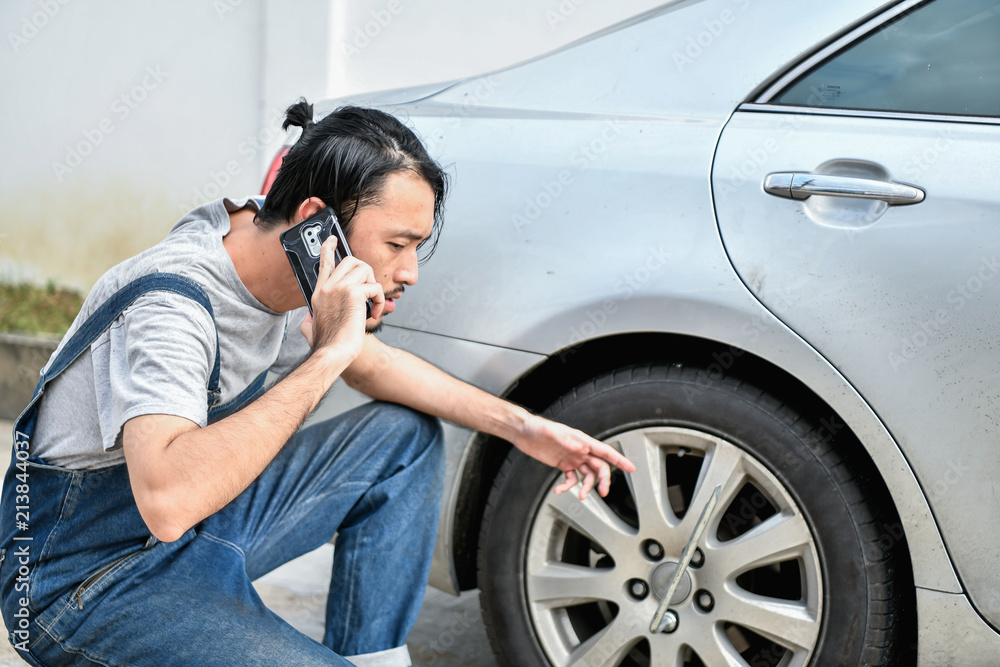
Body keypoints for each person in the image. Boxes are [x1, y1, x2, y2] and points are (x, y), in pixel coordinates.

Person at [0, 99, 635, 666]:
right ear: (316, 221)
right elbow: (166, 501)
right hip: (85, 578)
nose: (409, 271)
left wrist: (524, 426)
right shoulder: (173, 304)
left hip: (195, 529)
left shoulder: (268, 253)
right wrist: (327, 354)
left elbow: (372, 365)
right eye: (397, 243)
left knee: (401, 438)